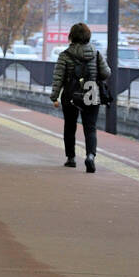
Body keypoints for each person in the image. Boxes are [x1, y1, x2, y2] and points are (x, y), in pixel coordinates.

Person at [50, 22, 111, 173]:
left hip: (71, 94)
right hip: (91, 92)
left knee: (70, 126)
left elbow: (58, 77)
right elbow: (106, 73)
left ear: (71, 36)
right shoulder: (96, 54)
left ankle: (71, 159)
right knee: (90, 128)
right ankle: (90, 156)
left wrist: (54, 96)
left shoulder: (65, 55)